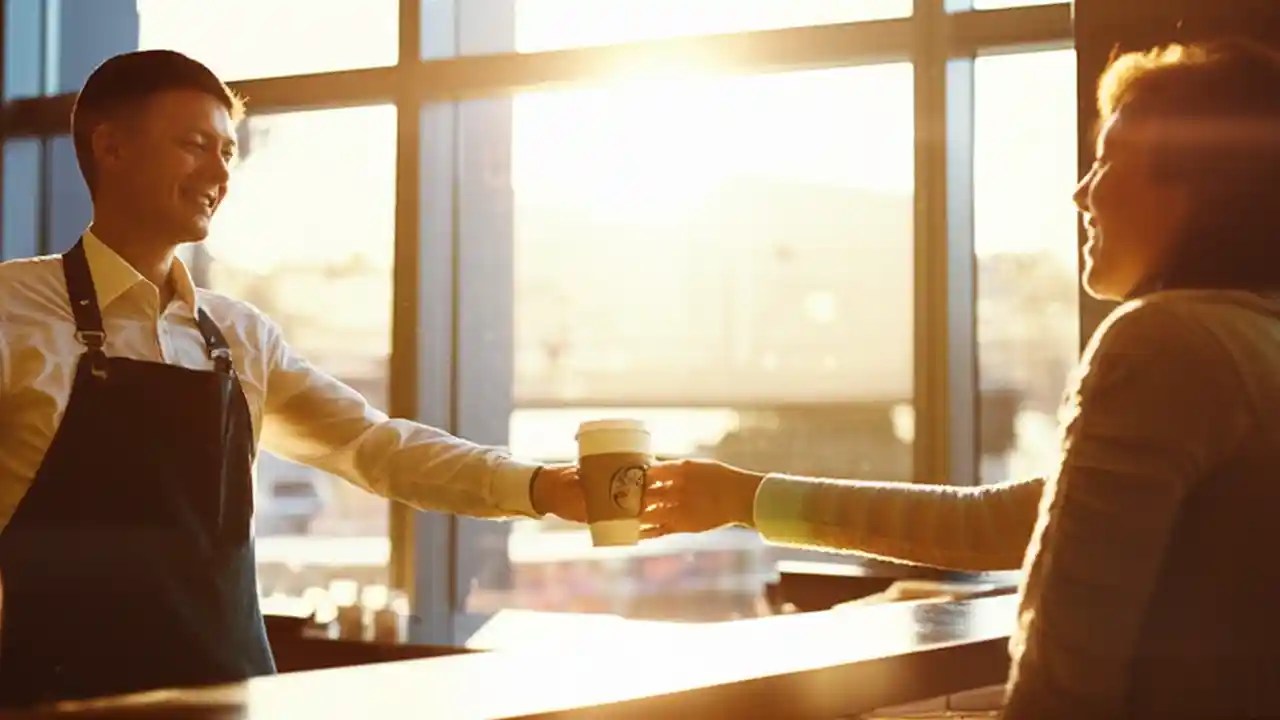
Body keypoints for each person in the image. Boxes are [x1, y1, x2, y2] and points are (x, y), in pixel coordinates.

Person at [643, 38, 1280, 719]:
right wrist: (744, 498)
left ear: (1200, 186)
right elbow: (1001, 524)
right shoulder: (1249, 344)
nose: (1081, 193)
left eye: (1106, 161)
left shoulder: (1165, 344)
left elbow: (1061, 688)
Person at [0, 50, 584, 707]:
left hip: (230, 698)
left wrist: (541, 485)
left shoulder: (242, 336)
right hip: (50, 705)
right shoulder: (10, 311)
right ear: (111, 148)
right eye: (195, 146)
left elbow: (375, 447)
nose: (219, 172)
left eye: (228, 151)